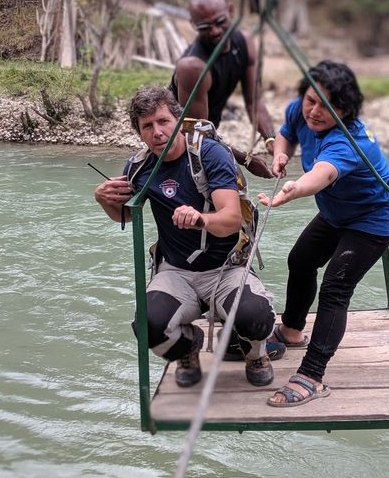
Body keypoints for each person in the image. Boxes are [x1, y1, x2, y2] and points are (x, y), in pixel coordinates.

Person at [93, 86, 282, 388]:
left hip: (227, 268)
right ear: (139, 133)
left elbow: (232, 220)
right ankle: (189, 347)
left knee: (255, 317)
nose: (157, 132)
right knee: (147, 326)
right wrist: (105, 201)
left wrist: (199, 219)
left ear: (179, 121)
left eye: (163, 121)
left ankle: (255, 353)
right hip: (177, 271)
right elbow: (128, 216)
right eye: (147, 126)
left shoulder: (210, 155)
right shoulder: (139, 167)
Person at [257, 60, 389, 407]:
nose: (315, 111)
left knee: (335, 288)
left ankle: (312, 376)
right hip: (337, 213)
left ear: (346, 110)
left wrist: (293, 189)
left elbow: (323, 173)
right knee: (300, 260)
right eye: (311, 100)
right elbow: (288, 130)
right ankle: (291, 329)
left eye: (329, 105)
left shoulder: (348, 141)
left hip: (370, 220)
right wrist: (280, 152)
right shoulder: (300, 109)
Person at [171, 0, 277, 155]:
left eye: (220, 21)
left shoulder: (245, 43)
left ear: (231, 11)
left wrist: (271, 140)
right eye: (205, 27)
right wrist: (244, 160)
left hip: (206, 141)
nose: (215, 31)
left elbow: (254, 102)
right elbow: (197, 136)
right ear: (193, 24)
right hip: (177, 147)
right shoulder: (193, 67)